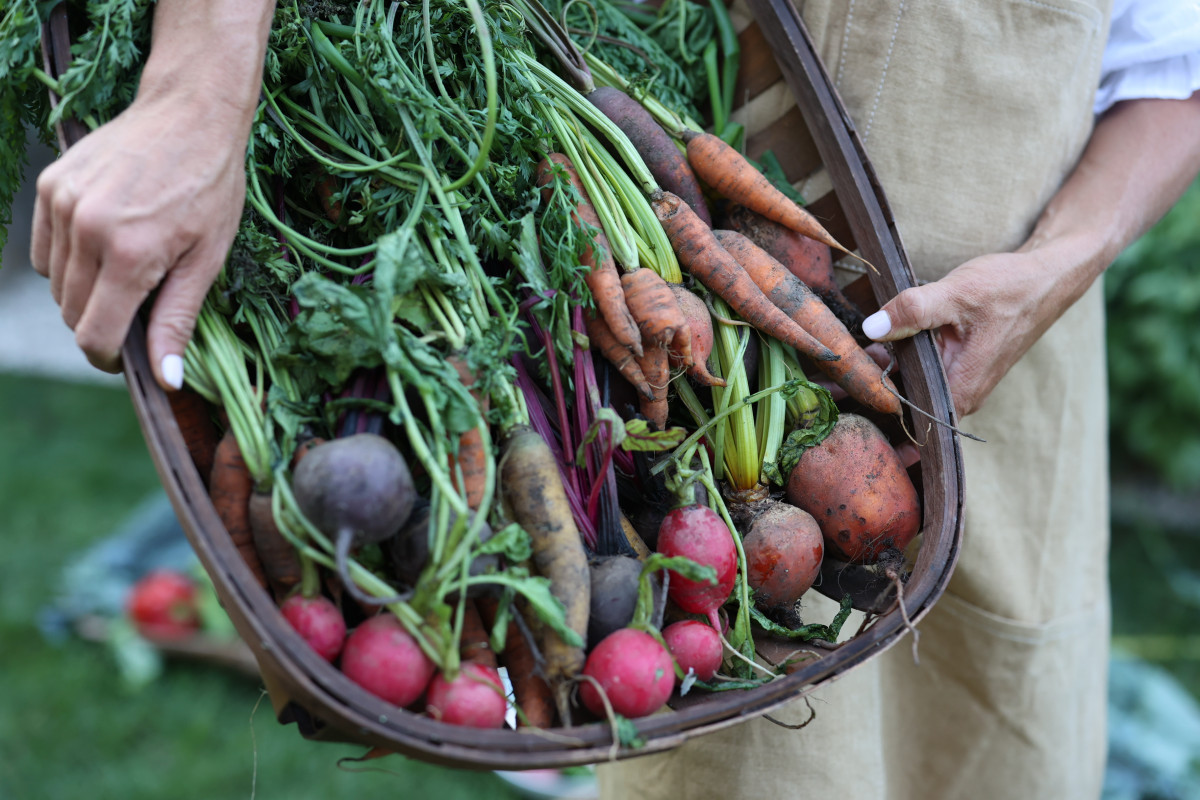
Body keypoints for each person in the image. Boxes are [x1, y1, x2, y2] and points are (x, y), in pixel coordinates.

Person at [29, 0, 1200, 797]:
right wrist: (199, 82)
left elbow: (1173, 56)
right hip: (692, 461)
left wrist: (1066, 257)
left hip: (1010, 364)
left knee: (1002, 739)